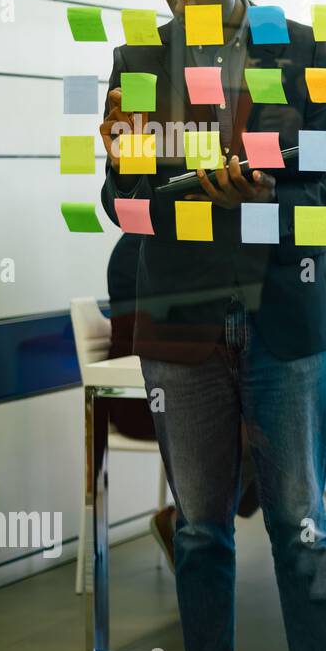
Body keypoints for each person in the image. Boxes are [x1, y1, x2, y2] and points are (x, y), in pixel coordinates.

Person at [97, 0, 326, 651]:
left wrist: (265, 196)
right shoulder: (139, 60)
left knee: (300, 524)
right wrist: (150, 169)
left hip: (284, 319)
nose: (183, 1)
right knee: (201, 527)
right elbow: (120, 205)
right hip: (182, 323)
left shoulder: (302, 48)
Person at [102, 235, 260, 572]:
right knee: (263, 434)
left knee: (270, 430)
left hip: (172, 386)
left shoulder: (154, 245)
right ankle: (193, 524)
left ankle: (195, 524)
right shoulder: (145, 251)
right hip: (144, 400)